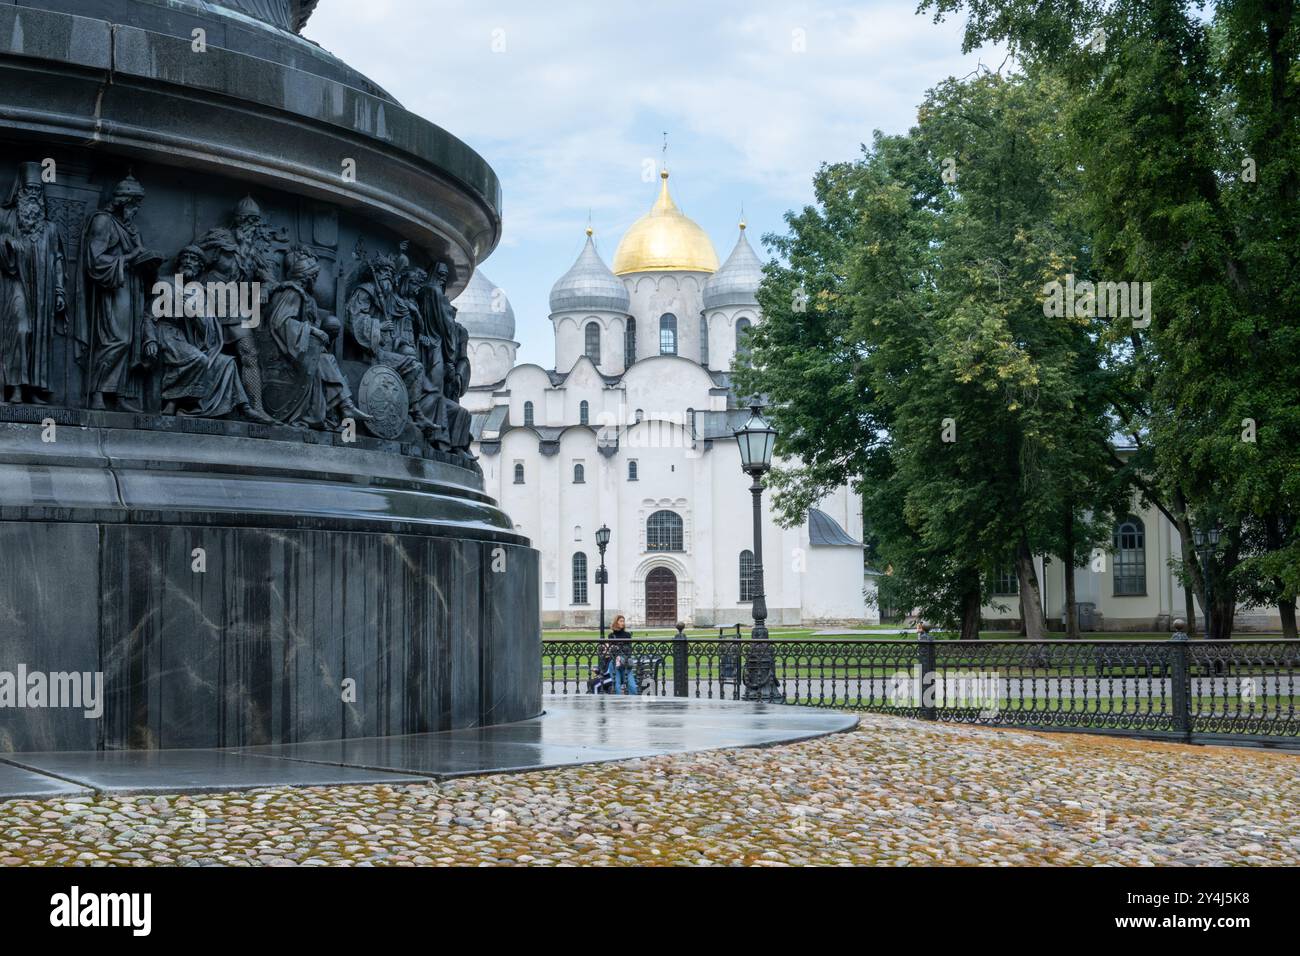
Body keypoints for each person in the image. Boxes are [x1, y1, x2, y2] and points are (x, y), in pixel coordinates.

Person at [607, 615, 638, 695]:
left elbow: (629, 650)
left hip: (625, 662)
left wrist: (618, 648)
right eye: (621, 621)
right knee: (617, 686)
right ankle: (620, 704)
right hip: (614, 663)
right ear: (616, 622)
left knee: (632, 686)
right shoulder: (611, 636)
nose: (623, 623)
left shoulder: (627, 635)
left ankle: (632, 702)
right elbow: (611, 651)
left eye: (623, 621)